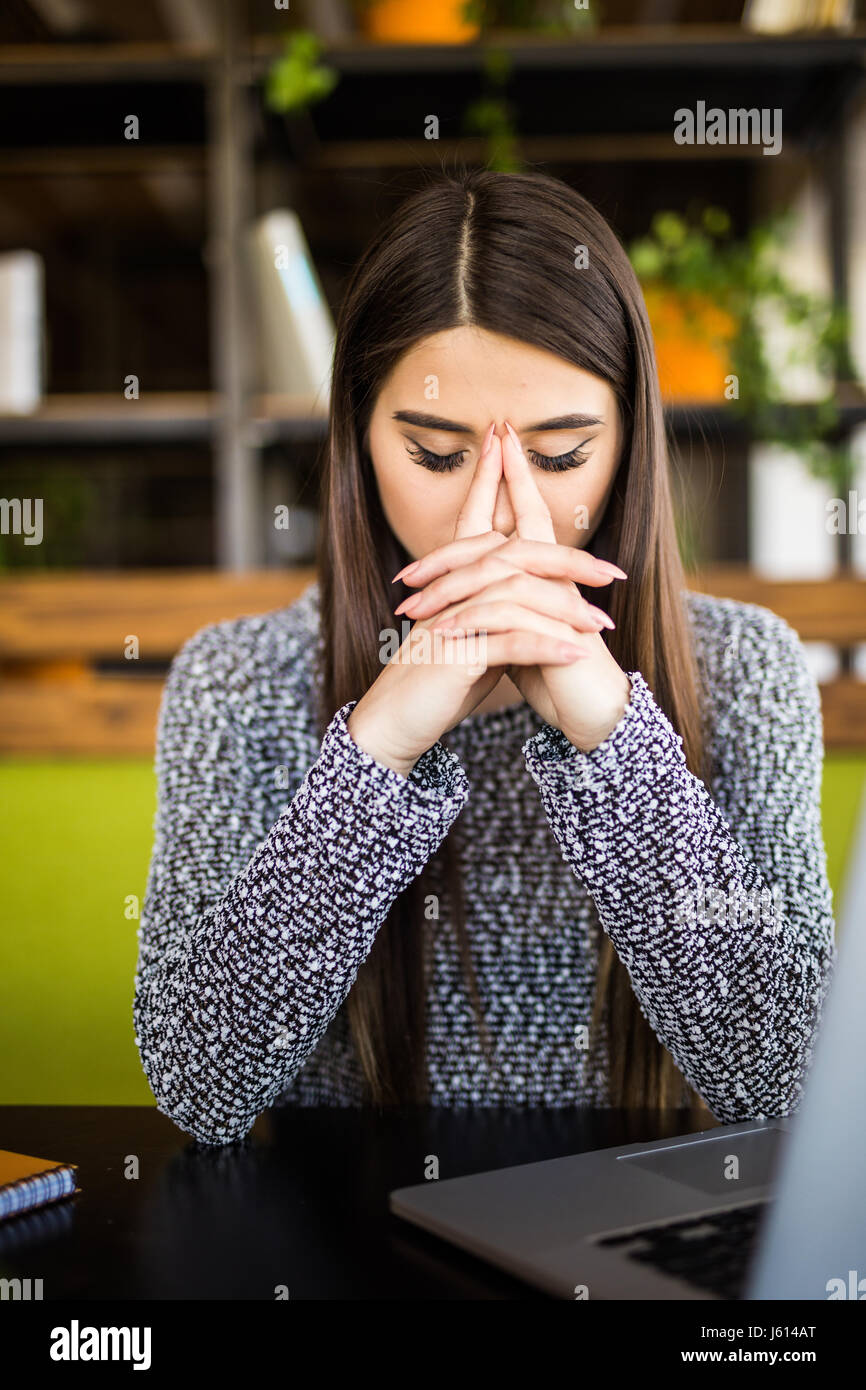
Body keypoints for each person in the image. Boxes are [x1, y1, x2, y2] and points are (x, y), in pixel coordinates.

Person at [133, 167, 837, 1146]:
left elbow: (786, 1076)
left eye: (557, 457)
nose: (504, 514)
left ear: (630, 441)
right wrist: (378, 743)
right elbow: (202, 1086)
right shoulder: (239, 682)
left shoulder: (744, 667)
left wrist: (609, 731)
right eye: (434, 454)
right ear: (358, 442)